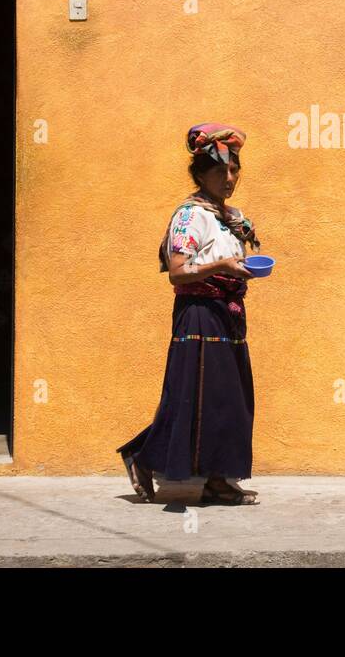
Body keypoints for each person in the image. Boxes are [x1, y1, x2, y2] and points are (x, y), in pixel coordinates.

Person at [118, 123, 262, 505]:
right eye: (219, 171)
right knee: (193, 398)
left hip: (228, 313)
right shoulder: (189, 216)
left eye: (234, 170)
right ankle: (142, 456)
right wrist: (223, 268)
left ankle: (217, 480)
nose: (229, 178)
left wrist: (238, 268)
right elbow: (179, 272)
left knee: (228, 399)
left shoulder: (229, 216)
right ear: (200, 174)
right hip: (198, 313)